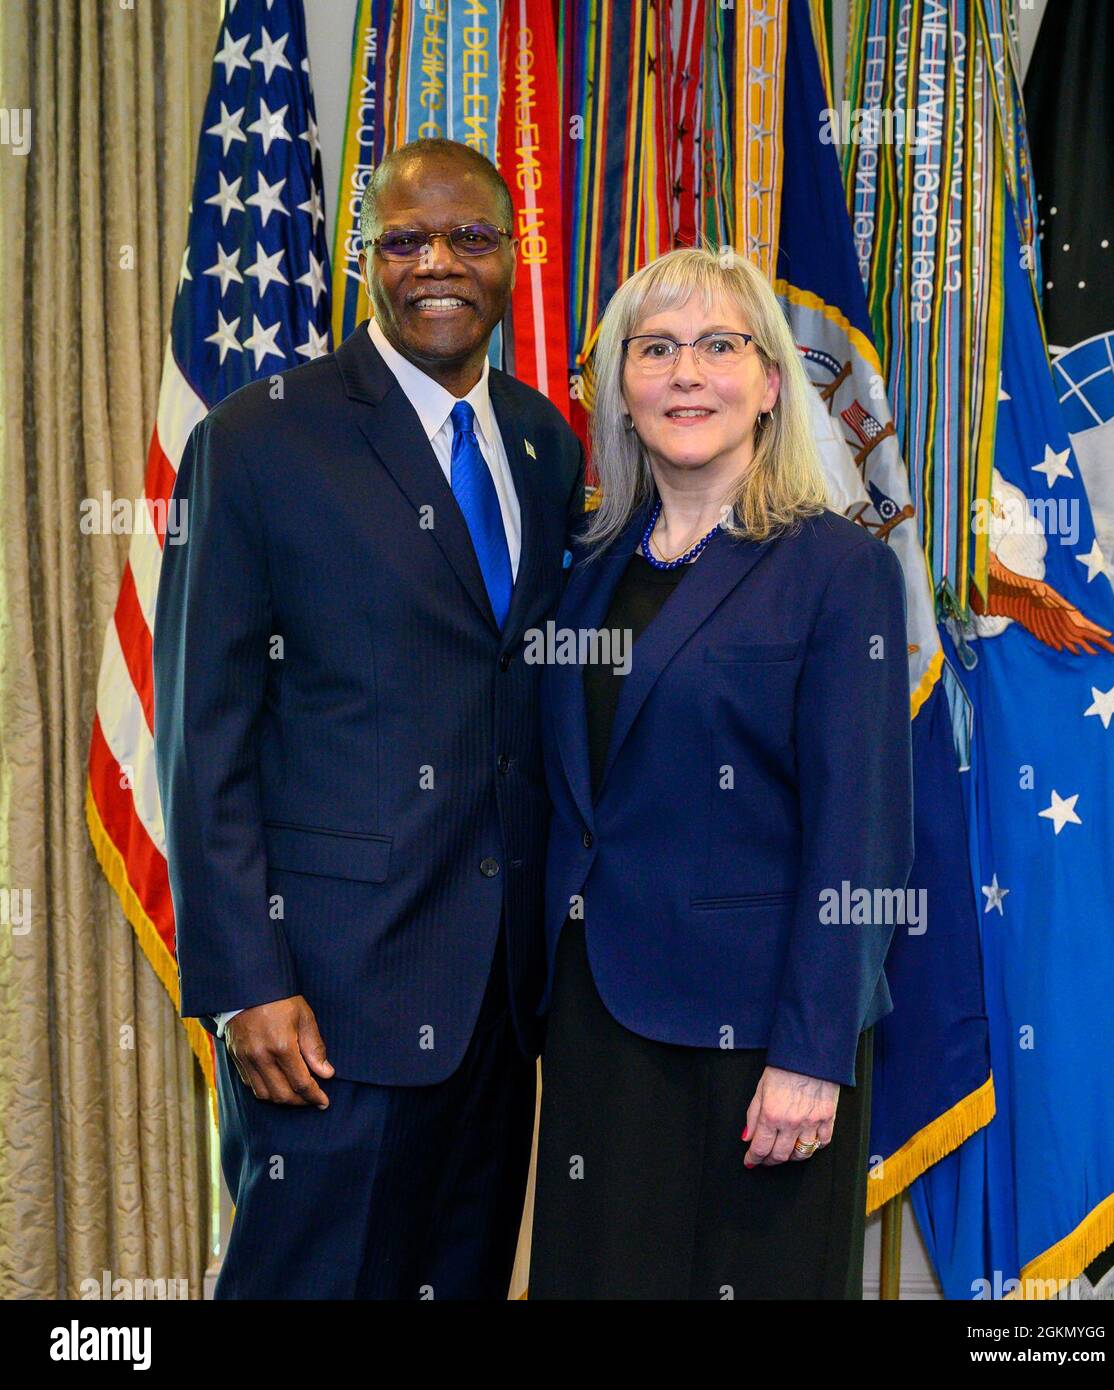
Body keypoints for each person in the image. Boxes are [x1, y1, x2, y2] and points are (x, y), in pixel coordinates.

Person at [154, 138, 585, 1299]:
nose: (439, 262)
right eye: (406, 239)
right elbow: (202, 739)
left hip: (499, 1008)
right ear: (367, 261)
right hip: (327, 1005)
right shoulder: (257, 440)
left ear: (514, 255)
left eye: (471, 237)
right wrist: (249, 980)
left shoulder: (547, 445)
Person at [528, 246, 914, 1300]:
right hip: (599, 1027)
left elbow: (864, 828)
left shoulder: (839, 568)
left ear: (771, 384)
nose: (684, 372)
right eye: (654, 349)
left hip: (759, 1044)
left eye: (717, 346)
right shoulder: (589, 572)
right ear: (620, 389)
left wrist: (813, 1049)